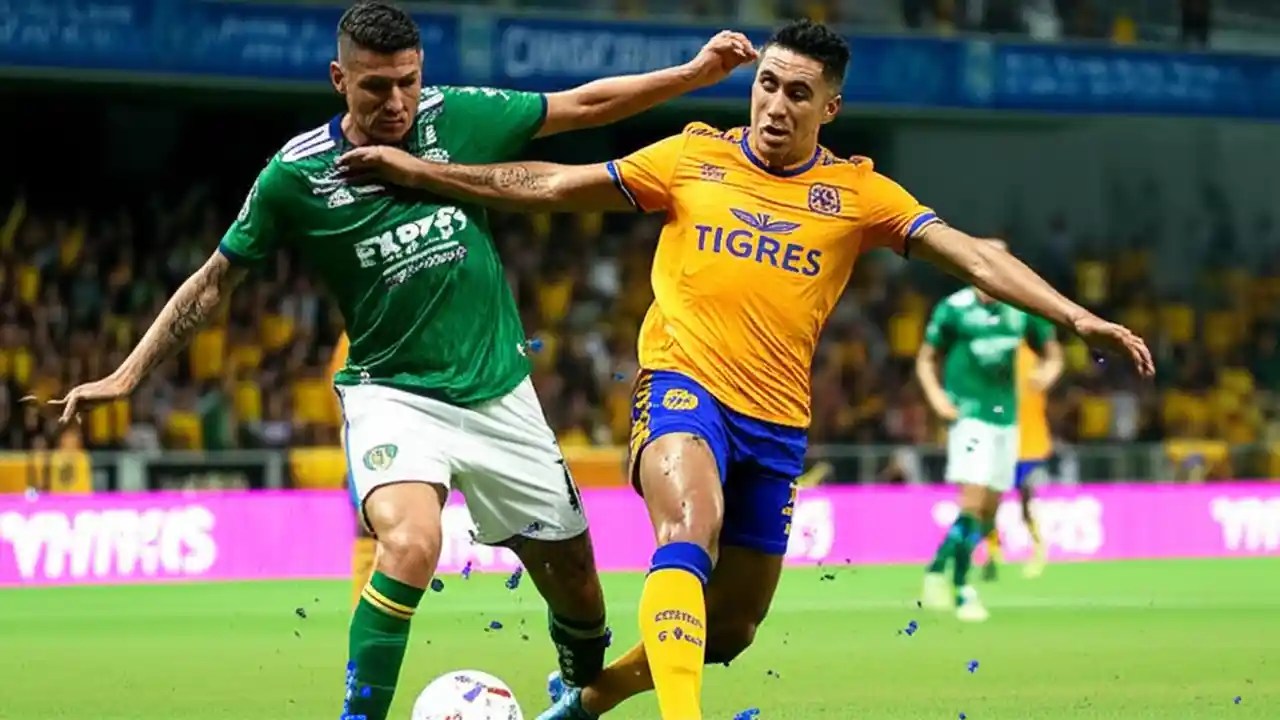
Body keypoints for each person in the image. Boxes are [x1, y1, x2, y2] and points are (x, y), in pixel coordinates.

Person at [335, 19, 1154, 719]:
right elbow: (551, 184)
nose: (776, 104)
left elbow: (971, 256)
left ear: (830, 107)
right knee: (690, 526)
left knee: (729, 630)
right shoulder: (692, 160)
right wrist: (424, 173)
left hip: (777, 423)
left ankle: (586, 701)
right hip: (681, 388)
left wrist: (1076, 316)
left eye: (800, 94)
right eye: (768, 85)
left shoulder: (858, 195)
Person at [37, 3, 758, 719]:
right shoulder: (297, 175)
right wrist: (128, 373)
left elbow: (583, 104)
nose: (397, 101)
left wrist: (695, 74)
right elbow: (216, 279)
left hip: (501, 396)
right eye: (376, 86)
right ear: (337, 81)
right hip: (394, 396)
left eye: (408, 81)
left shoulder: (457, 117)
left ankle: (577, 699)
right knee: (412, 544)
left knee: (578, 590)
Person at [915, 244, 1059, 622]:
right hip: (969, 417)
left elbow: (1053, 352)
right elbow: (925, 358)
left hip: (1005, 420)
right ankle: (963, 590)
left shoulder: (1020, 309)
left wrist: (1048, 372)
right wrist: (937, 398)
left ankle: (935, 569)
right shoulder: (954, 309)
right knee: (973, 503)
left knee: (988, 515)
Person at [984, 304, 1061, 581]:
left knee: (1027, 499)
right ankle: (993, 551)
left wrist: (1048, 373)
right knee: (989, 499)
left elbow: (1053, 360)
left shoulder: (1030, 361)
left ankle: (1039, 550)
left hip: (1029, 443)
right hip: (999, 441)